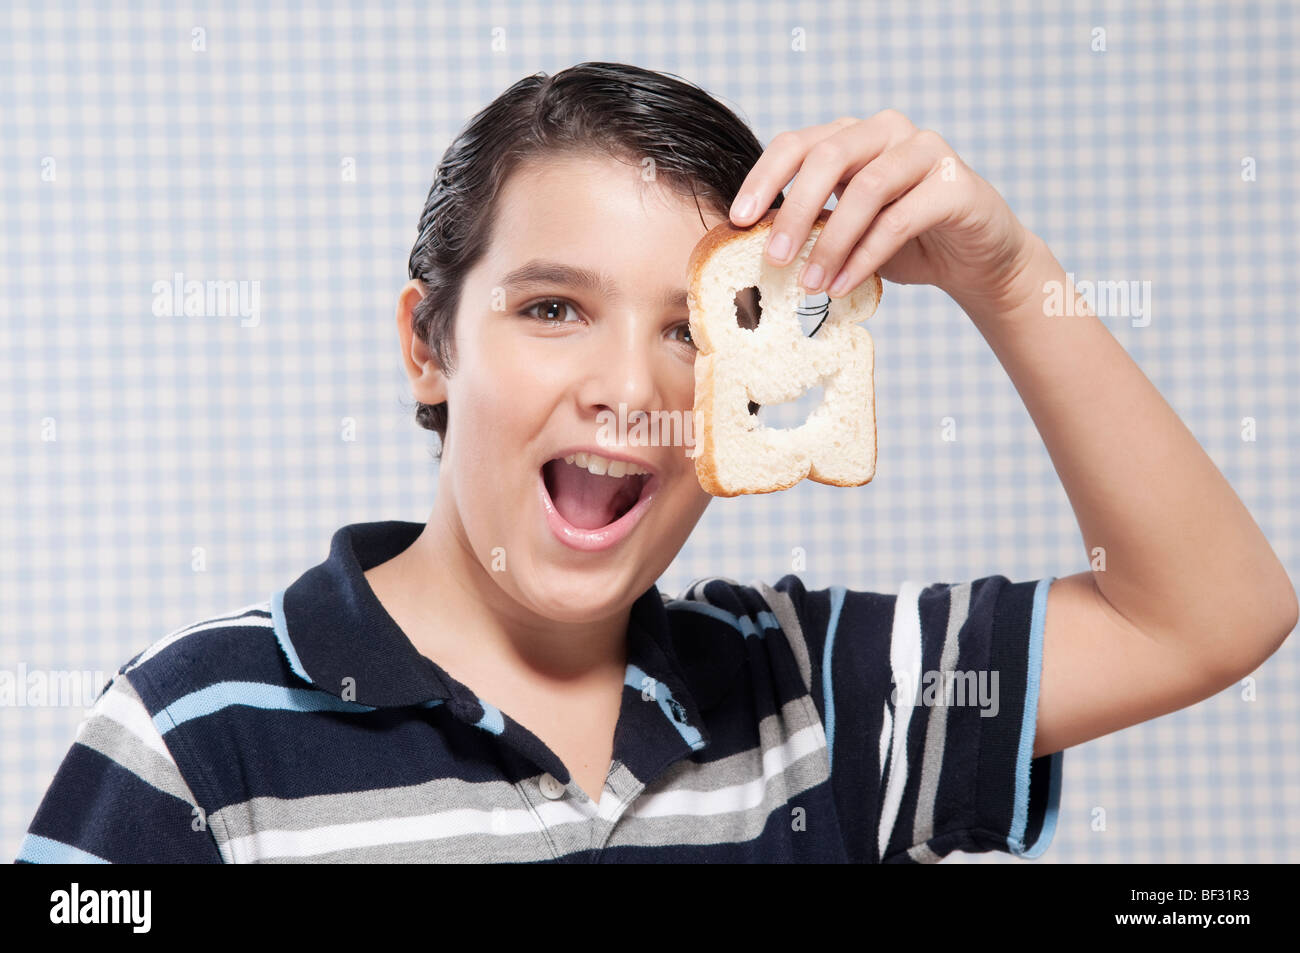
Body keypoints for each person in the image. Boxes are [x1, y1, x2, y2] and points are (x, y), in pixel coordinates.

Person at [16, 62, 1295, 864]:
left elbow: (1208, 612)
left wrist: (1002, 276)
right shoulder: (197, 733)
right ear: (428, 343)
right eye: (553, 308)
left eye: (692, 328)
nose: (630, 388)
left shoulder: (816, 698)